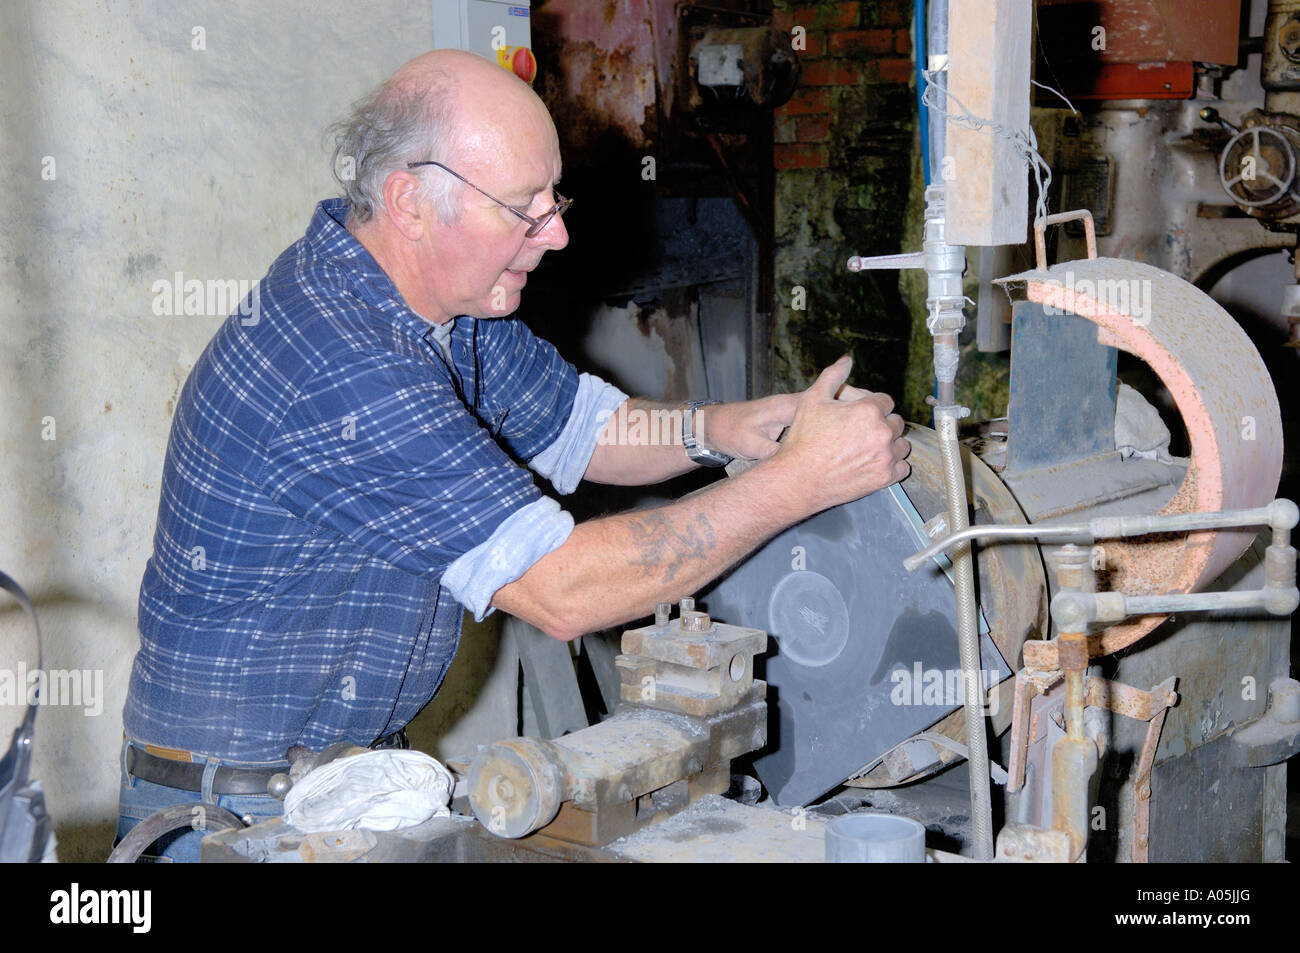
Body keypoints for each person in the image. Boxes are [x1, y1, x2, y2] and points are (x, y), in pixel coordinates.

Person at [115, 49, 909, 861]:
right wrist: (799, 482)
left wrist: (744, 428)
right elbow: (563, 589)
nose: (558, 233)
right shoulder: (340, 356)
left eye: (553, 197)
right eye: (524, 208)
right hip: (233, 818)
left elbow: (586, 427)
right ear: (409, 203)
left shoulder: (445, 313)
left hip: (345, 782)